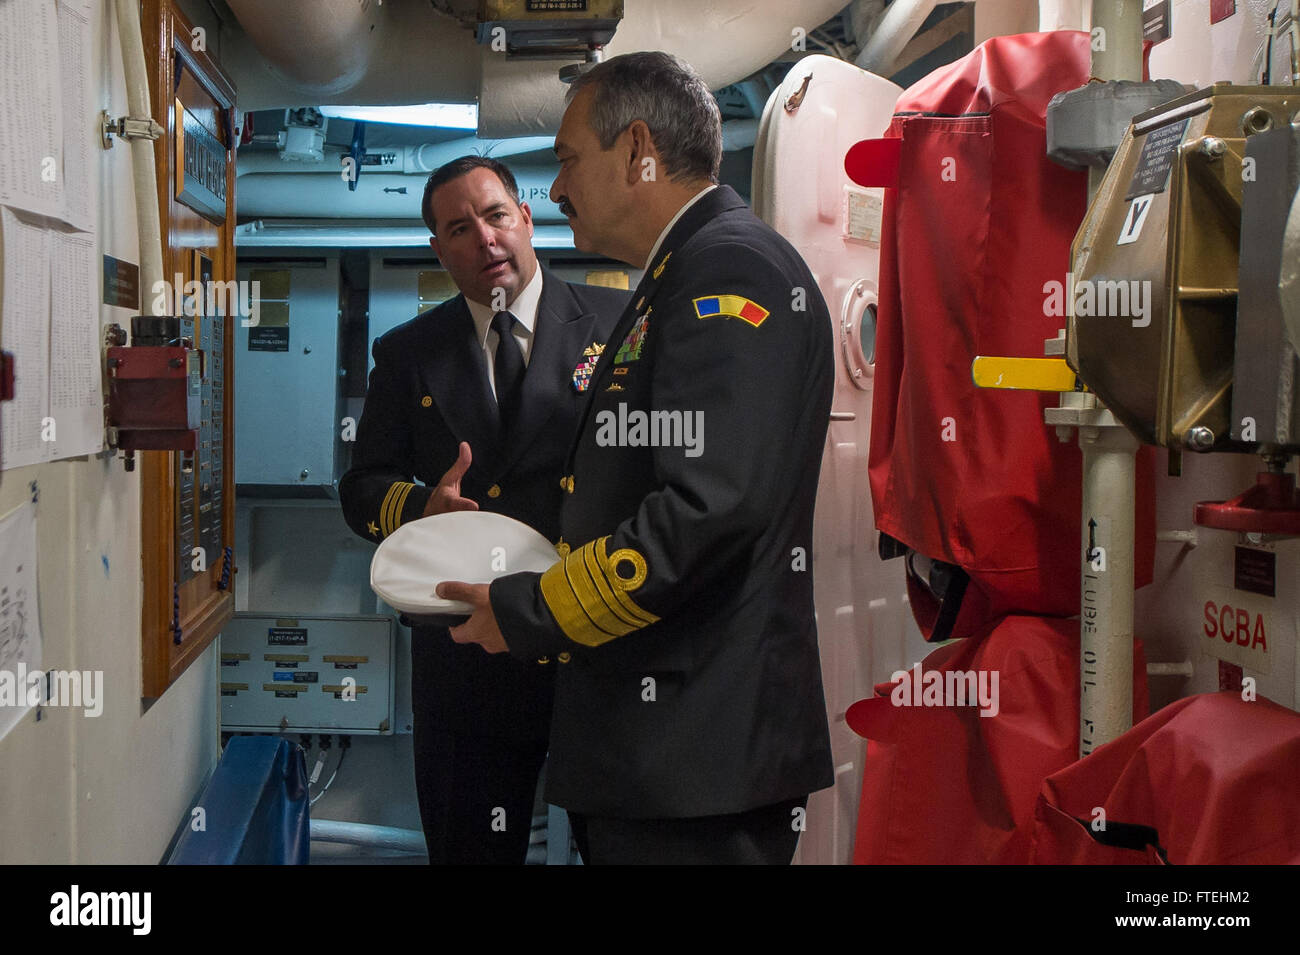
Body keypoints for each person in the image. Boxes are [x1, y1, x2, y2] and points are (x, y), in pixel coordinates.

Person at [438, 52, 835, 864]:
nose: (554, 189)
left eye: (567, 159)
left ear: (638, 150)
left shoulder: (728, 269)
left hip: (695, 763)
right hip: (660, 756)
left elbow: (708, 511)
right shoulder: (676, 277)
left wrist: (530, 612)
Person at [339, 156, 627, 864]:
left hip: (595, 638)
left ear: (526, 220)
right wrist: (419, 508)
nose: (485, 239)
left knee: (622, 845)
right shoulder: (408, 353)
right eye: (459, 228)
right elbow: (362, 484)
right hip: (468, 646)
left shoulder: (621, 323)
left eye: (496, 216)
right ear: (439, 250)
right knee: (471, 849)